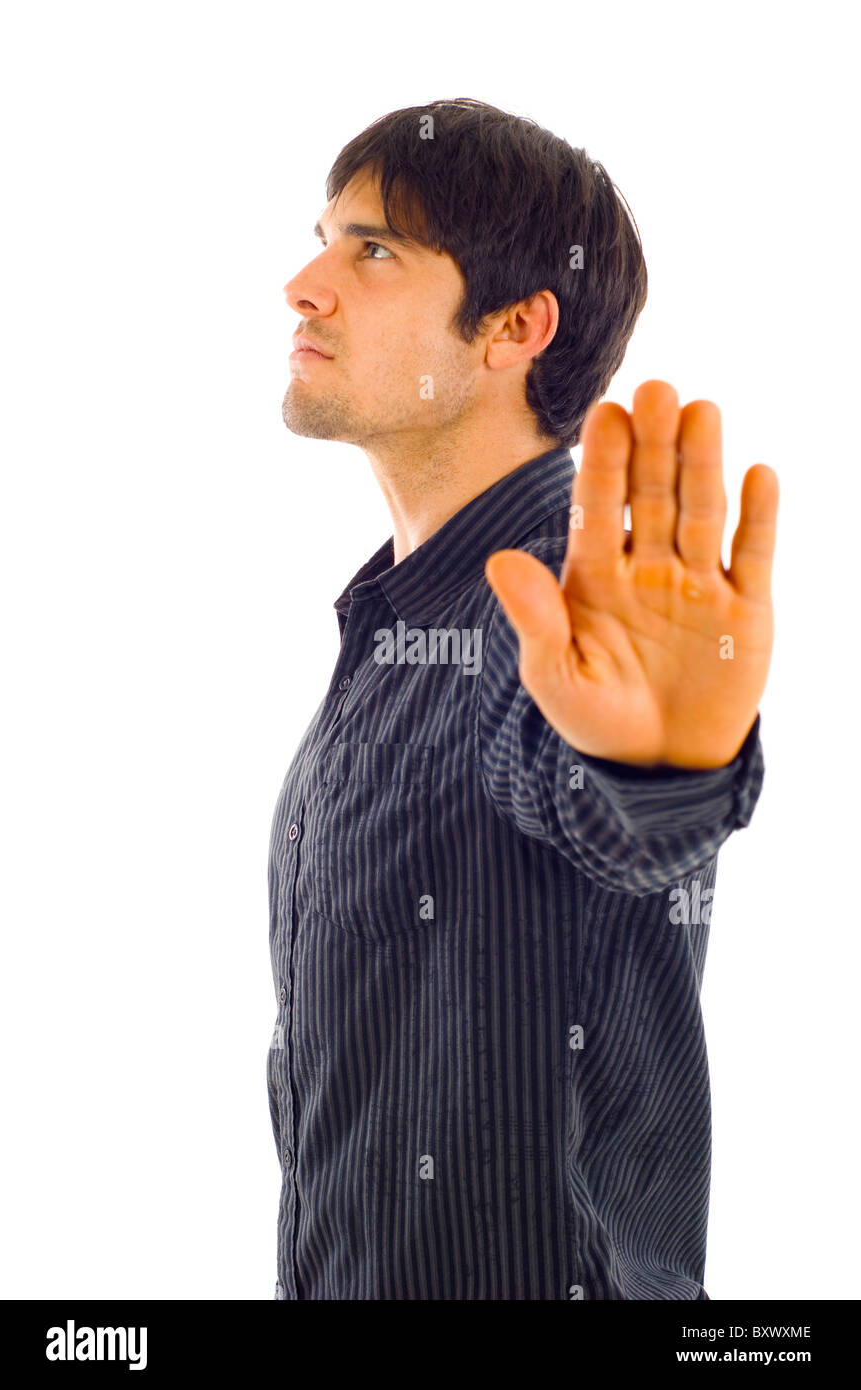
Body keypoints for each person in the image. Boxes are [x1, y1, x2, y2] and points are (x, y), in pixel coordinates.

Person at [267, 98, 778, 1300]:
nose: (303, 282)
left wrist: (659, 768)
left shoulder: (552, 605)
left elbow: (596, 798)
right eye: (323, 237)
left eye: (372, 249)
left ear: (514, 327)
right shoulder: (395, 622)